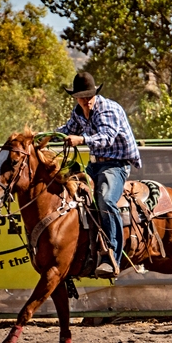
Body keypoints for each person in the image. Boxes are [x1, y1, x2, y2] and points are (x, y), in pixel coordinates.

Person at [57, 72, 142, 279]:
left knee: (105, 199)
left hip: (117, 164)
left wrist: (80, 140)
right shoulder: (78, 112)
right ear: (75, 96)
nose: (86, 100)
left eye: (89, 95)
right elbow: (67, 129)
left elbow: (107, 137)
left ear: (95, 93)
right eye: (82, 96)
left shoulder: (108, 109)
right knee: (67, 190)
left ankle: (111, 255)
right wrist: (48, 136)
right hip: (95, 165)